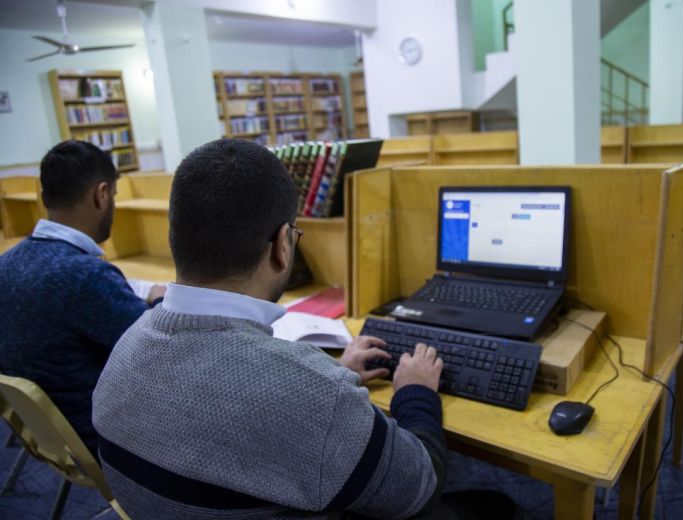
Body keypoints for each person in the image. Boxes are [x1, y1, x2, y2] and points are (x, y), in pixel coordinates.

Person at [93, 139, 448, 519]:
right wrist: (415, 393)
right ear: (282, 245)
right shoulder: (314, 396)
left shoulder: (125, 345)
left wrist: (331, 377)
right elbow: (417, 487)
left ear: (175, 238)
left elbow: (223, 414)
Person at [0, 140, 165, 455]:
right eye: (114, 196)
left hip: (52, 439)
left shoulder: (6, 264)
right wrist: (158, 301)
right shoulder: (86, 276)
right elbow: (159, 352)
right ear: (101, 194)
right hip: (113, 441)